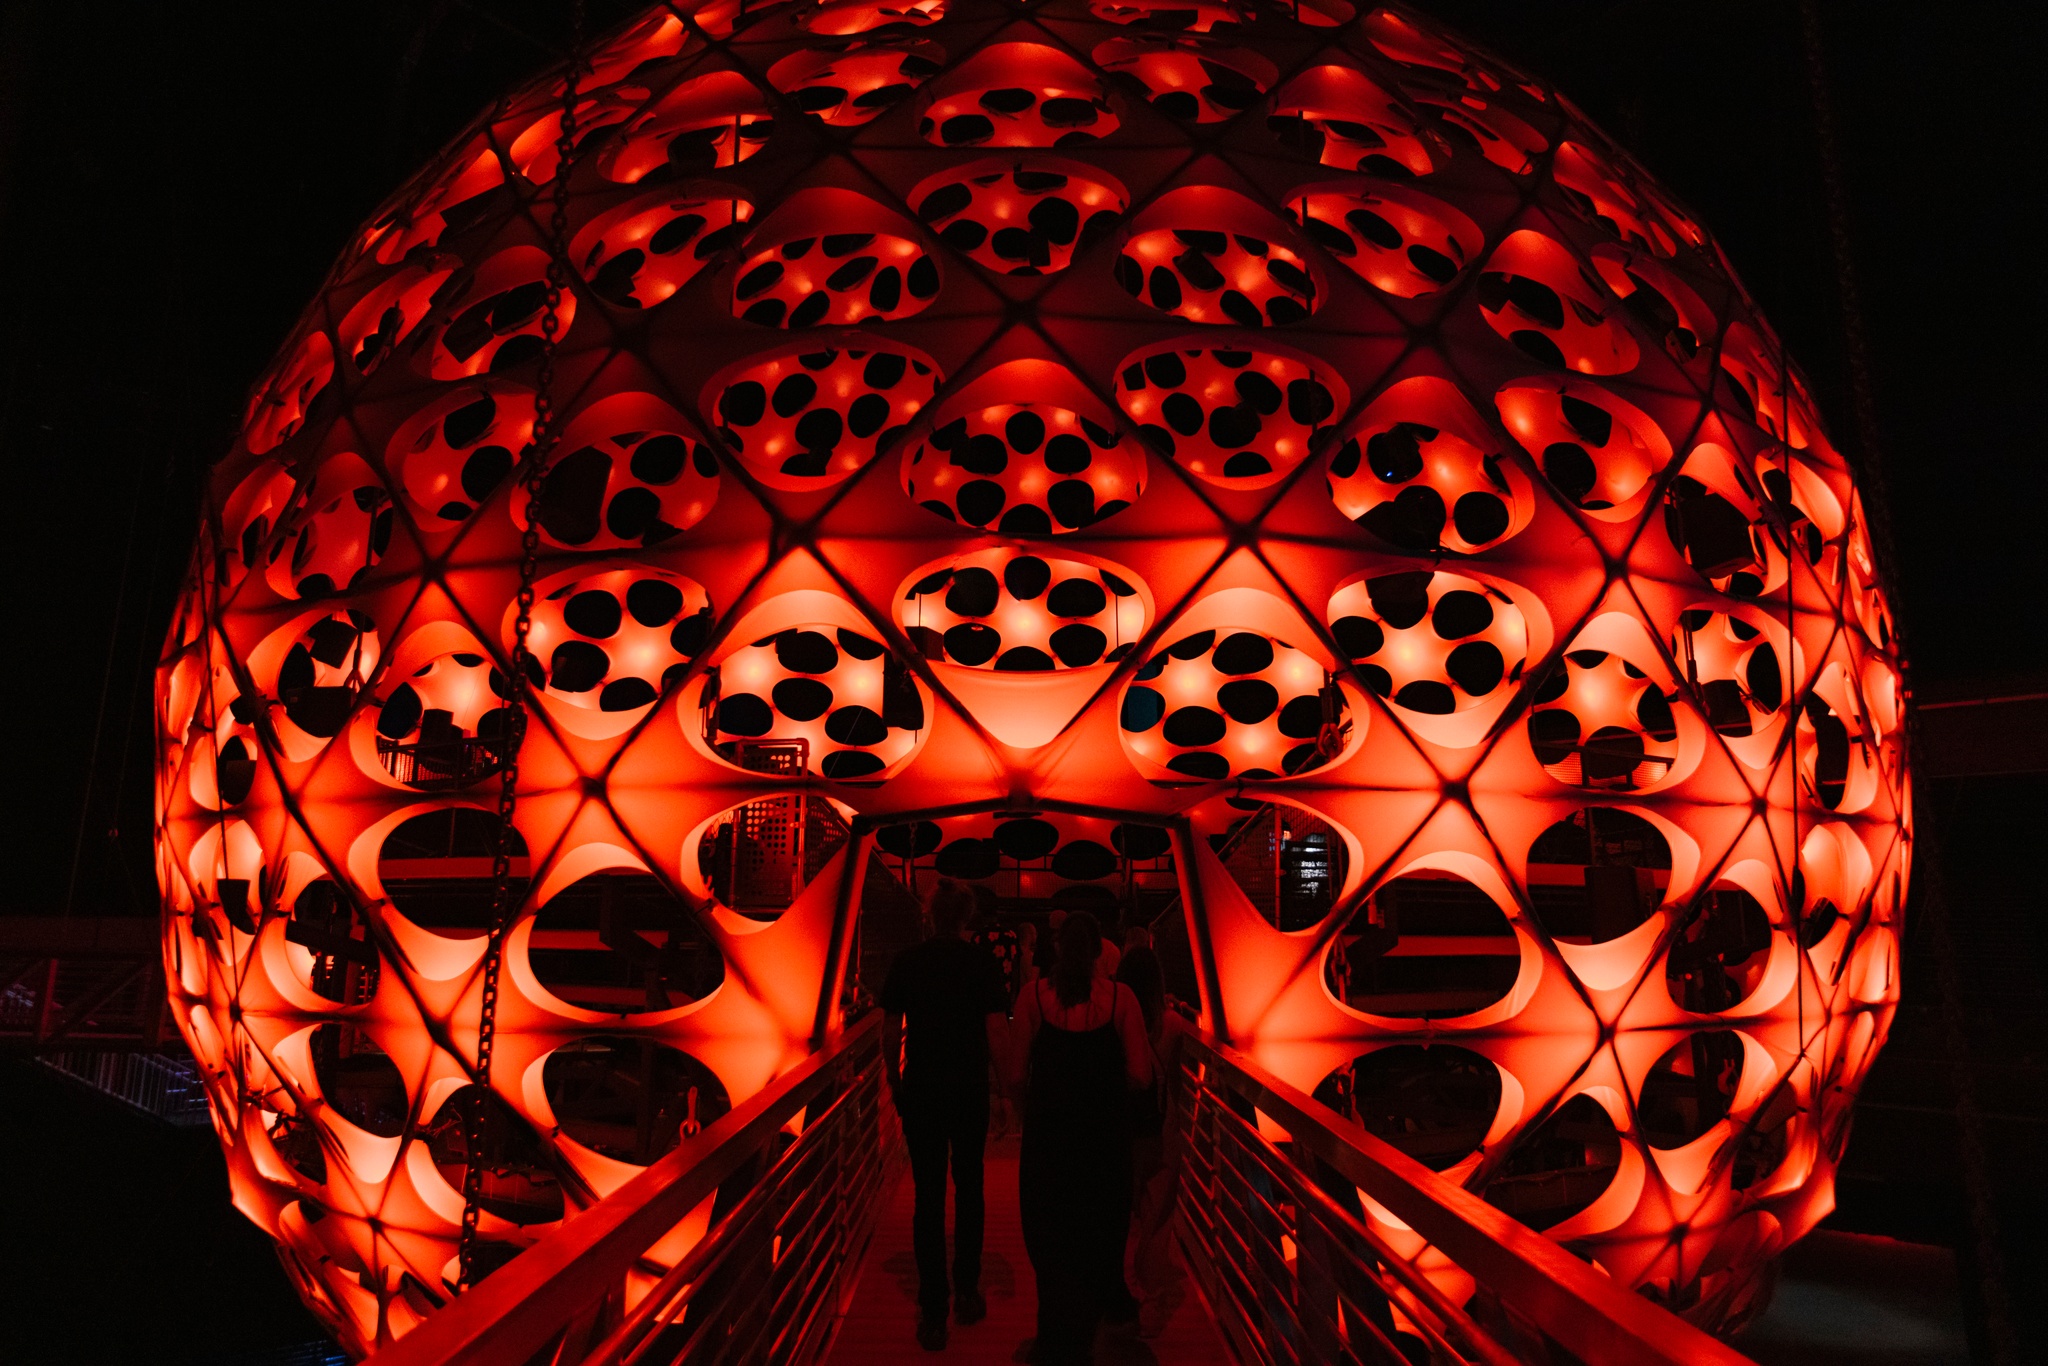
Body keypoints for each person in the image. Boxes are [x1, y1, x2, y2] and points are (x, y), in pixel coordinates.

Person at [1009, 911, 1153, 1364]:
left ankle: (1053, 1339)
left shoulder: (1033, 997)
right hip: (1104, 1141)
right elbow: (1142, 1074)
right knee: (1100, 1235)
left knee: (1049, 1237)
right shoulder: (1121, 999)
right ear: (1097, 952)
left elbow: (1014, 1074)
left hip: (1049, 1139)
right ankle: (1094, 1336)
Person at [882, 879, 1011, 1350]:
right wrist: (1005, 1094)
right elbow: (996, 1030)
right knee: (970, 1186)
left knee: (928, 1195)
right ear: (965, 919)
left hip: (923, 1088)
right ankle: (968, 1291)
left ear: (931, 916)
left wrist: (895, 1082)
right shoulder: (981, 963)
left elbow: (891, 1028)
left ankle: (933, 1309)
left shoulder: (908, 962)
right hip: (968, 1089)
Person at [1113, 944, 1195, 1338]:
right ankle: (1148, 1289)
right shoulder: (1173, 1024)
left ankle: (1121, 1292)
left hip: (1122, 1132)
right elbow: (1178, 1078)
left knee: (1122, 1216)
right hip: (1162, 1132)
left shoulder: (1115, 1022)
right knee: (1156, 1218)